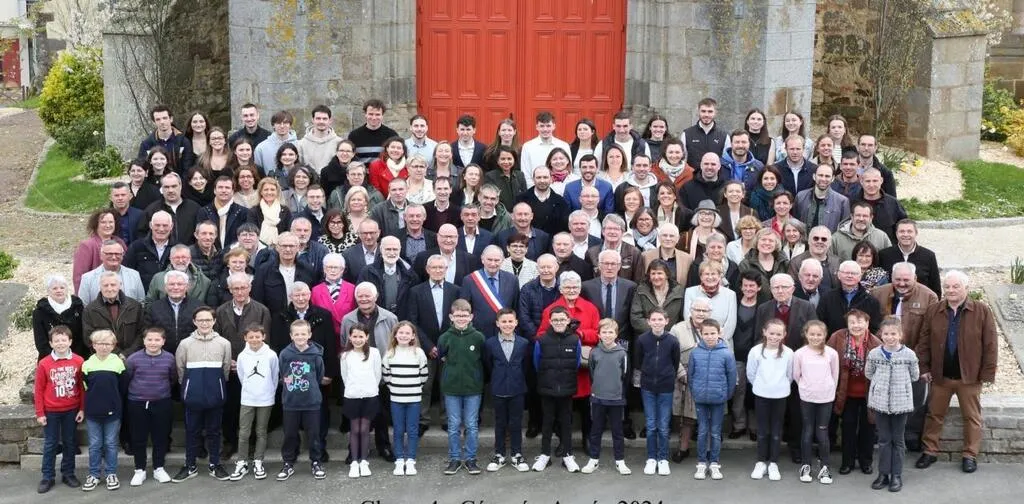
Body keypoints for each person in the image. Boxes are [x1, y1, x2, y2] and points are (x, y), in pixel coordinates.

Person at [916, 270, 998, 475]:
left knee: (972, 417)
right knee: (934, 415)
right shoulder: (934, 310)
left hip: (969, 377)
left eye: (956, 286)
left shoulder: (981, 311)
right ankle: (930, 451)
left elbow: (990, 344)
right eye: (948, 287)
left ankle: (970, 455)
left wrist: (987, 374)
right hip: (940, 376)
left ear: (966, 289)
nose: (950, 290)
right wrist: (923, 368)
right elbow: (924, 341)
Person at [871, 261, 938, 451]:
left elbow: (928, 333)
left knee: (914, 399)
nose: (901, 283)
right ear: (892, 278)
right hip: (884, 358)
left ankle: (909, 437)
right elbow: (874, 326)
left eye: (906, 280)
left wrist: (916, 359)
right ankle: (880, 436)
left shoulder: (929, 297)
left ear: (915, 278)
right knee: (882, 397)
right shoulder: (878, 293)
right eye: (898, 279)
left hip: (912, 358)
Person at [753, 273, 818, 462]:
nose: (780, 291)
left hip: (798, 364)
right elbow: (758, 336)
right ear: (771, 290)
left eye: (784, 287)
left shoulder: (806, 307)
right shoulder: (764, 308)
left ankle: (795, 447)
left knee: (796, 410)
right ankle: (771, 448)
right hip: (771, 366)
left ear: (793, 288)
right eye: (776, 288)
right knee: (774, 410)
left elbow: (813, 334)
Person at [171, 306, 232, 483]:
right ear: (194, 322)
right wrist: (190, 387)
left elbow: (225, 369)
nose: (204, 323)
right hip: (193, 396)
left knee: (214, 431)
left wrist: (218, 386)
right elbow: (180, 369)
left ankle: (215, 464)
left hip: (215, 396)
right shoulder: (185, 344)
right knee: (192, 431)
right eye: (200, 320)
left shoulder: (224, 343)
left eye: (208, 320)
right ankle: (190, 465)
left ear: (214, 321)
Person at [339, 282, 399, 462]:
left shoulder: (389, 318)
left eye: (368, 296)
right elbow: (344, 342)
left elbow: (394, 343)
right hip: (357, 376)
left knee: (380, 414)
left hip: (380, 373)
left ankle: (384, 447)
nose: (364, 299)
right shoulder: (348, 319)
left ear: (376, 297)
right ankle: (354, 450)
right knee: (355, 417)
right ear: (356, 298)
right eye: (360, 296)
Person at [403, 254, 458, 435]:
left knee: (447, 385)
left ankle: (447, 419)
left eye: (440, 268)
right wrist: (428, 346)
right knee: (424, 385)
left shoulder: (455, 290)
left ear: (446, 270)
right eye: (433, 267)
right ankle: (422, 420)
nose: (437, 271)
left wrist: (446, 345)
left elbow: (458, 320)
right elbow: (413, 321)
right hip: (424, 347)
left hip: (449, 347)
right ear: (427, 270)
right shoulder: (416, 291)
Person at [865, 317, 919, 492]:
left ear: (900, 335)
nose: (889, 337)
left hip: (900, 403)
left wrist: (899, 387)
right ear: (881, 334)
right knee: (883, 440)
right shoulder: (874, 354)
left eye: (893, 334)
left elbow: (914, 376)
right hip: (880, 403)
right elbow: (869, 373)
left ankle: (896, 475)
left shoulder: (909, 355)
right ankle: (883, 474)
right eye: (886, 334)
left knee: (898, 440)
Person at [829, 309, 881, 476]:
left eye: (860, 322)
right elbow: (827, 358)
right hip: (846, 393)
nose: (856, 325)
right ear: (847, 323)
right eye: (852, 322)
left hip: (868, 394)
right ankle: (847, 462)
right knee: (848, 427)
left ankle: (866, 462)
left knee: (868, 428)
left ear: (867, 323)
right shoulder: (837, 337)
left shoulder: (876, 342)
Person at [531, 306, 583, 473]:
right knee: (547, 421)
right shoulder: (542, 340)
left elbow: (575, 363)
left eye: (562, 319)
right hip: (547, 388)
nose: (559, 322)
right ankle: (545, 455)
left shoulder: (575, 340)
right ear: (550, 321)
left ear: (568, 321)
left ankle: (568, 455)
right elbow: (536, 363)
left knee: (566, 422)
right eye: (555, 320)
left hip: (567, 388)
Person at [34, 326, 85, 494]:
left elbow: (82, 387)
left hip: (71, 410)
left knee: (70, 443)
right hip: (51, 411)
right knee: (50, 444)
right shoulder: (44, 363)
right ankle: (47, 476)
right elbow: (39, 389)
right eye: (56, 340)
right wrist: (40, 413)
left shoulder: (78, 361)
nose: (60, 343)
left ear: (70, 341)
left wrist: (82, 409)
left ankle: (68, 473)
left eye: (64, 340)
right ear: (51, 343)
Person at [438, 299, 486, 475]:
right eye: (457, 316)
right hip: (451, 389)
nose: (461, 319)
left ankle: (471, 459)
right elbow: (442, 356)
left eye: (464, 315)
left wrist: (477, 378)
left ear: (471, 316)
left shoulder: (478, 337)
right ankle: (455, 459)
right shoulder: (445, 337)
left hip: (473, 388)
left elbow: (484, 360)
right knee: (453, 425)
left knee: (472, 425)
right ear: (451, 316)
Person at [275, 320, 327, 481]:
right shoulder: (285, 354)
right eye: (296, 334)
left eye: (303, 333)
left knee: (314, 434)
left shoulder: (316, 354)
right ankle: (288, 463)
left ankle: (316, 462)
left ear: (309, 335)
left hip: (311, 402)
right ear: (291, 336)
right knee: (290, 434)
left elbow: (319, 375)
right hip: (291, 402)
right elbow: (282, 374)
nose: (300, 337)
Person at [125, 327, 176, 486]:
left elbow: (172, 378)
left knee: (160, 437)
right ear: (144, 340)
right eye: (149, 339)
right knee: (138, 438)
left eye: (157, 340)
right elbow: (128, 378)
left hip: (162, 402)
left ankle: (158, 468)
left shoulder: (170, 358)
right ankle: (139, 470)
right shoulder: (133, 359)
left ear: (163, 341)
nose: (153, 343)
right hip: (137, 403)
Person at [482, 309, 531, 473]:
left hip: (517, 390)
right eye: (504, 322)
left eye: (511, 321)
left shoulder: (523, 343)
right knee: (500, 423)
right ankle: (499, 454)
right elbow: (488, 364)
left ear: (516, 323)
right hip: (498, 389)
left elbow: (525, 366)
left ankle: (517, 454)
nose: (507, 325)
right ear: (497, 324)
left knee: (516, 423)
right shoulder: (490, 343)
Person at [688, 319, 737, 481]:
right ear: (701, 334)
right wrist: (695, 391)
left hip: (718, 398)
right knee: (702, 431)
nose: (709, 337)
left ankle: (714, 463)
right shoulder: (695, 353)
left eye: (712, 333)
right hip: (701, 398)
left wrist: (726, 394)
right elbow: (691, 375)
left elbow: (731, 377)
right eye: (706, 334)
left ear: (719, 333)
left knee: (715, 432)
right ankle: (702, 462)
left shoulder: (726, 353)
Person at [228, 325, 278, 482]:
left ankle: (258, 461)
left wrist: (269, 391)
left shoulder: (271, 355)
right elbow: (242, 376)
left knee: (261, 431)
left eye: (257, 336)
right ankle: (242, 462)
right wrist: (250, 390)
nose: (254, 340)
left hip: (265, 398)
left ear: (263, 336)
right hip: (248, 398)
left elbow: (275, 376)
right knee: (244, 431)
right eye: (251, 337)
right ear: (245, 338)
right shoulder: (242, 356)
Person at [746, 319, 794, 482]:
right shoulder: (755, 351)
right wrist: (762, 386)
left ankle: (773, 462)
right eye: (771, 333)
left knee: (776, 431)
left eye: (778, 334)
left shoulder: (788, 353)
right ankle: (761, 462)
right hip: (761, 395)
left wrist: (778, 387)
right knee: (762, 430)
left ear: (784, 335)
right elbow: (751, 374)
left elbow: (790, 375)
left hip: (780, 396)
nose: (774, 337)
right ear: (764, 332)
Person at [792, 320, 839, 485]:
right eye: (812, 334)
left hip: (825, 398)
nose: (815, 337)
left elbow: (835, 375)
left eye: (819, 334)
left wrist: (827, 389)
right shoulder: (799, 353)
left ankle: (825, 467)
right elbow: (796, 375)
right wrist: (806, 387)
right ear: (806, 334)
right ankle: (806, 465)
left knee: (822, 432)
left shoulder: (832, 353)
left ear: (825, 335)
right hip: (807, 397)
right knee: (807, 431)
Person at [582, 319, 631, 475]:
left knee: (617, 431)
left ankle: (620, 461)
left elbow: (625, 376)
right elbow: (592, 374)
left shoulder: (622, 353)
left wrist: (619, 393)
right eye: (604, 332)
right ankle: (593, 459)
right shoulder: (594, 352)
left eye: (611, 332)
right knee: (595, 430)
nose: (608, 335)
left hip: (616, 399)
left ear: (616, 334)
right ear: (599, 334)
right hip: (598, 398)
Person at [635, 308, 680, 476]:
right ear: (648, 322)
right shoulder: (642, 339)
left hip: (666, 387)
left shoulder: (673, 341)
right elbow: (638, 361)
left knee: (663, 425)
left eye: (660, 319)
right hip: (647, 387)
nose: (657, 322)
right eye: (653, 319)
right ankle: (651, 458)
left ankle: (663, 459)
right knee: (651, 424)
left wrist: (667, 375)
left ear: (667, 321)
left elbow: (675, 363)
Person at [81, 330, 127, 492]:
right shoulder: (87, 365)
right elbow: (86, 387)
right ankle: (93, 474)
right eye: (100, 343)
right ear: (93, 345)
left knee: (110, 444)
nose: (103, 347)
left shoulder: (118, 363)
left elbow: (122, 387)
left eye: (108, 344)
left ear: (113, 346)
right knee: (94, 445)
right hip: (93, 413)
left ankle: (111, 473)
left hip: (113, 413)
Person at [382, 322, 429, 476]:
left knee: (412, 429)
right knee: (398, 430)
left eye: (407, 333)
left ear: (413, 336)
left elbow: (424, 375)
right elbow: (386, 375)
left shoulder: (419, 353)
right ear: (395, 335)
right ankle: (399, 459)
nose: (403, 336)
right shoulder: (390, 353)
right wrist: (396, 388)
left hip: (414, 398)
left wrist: (414, 388)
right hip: (396, 398)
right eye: (400, 333)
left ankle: (410, 459)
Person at [340, 322, 382, 478]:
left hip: (370, 395)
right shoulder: (345, 355)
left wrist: (370, 388)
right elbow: (345, 376)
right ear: (350, 337)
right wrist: (354, 389)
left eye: (361, 336)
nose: (358, 339)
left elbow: (377, 374)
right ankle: (354, 462)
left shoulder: (375, 353)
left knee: (364, 429)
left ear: (367, 337)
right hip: (352, 396)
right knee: (354, 429)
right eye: (355, 336)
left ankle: (364, 461)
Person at [668, 299, 708, 462]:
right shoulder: (677, 329)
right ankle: (683, 448)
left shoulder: (715, 328)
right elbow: (670, 353)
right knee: (686, 417)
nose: (700, 313)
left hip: (707, 379)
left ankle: (707, 451)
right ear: (690, 311)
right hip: (683, 377)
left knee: (708, 417)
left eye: (704, 311)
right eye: (697, 310)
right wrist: (681, 373)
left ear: (709, 313)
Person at [730, 271, 764, 441]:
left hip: (756, 355)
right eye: (745, 285)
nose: (748, 289)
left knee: (755, 391)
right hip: (736, 354)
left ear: (759, 287)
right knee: (738, 391)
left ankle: (754, 427)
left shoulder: (764, 306)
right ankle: (739, 424)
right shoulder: (733, 302)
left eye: (752, 286)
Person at [459, 245, 520, 339]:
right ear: (482, 259)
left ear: (502, 260)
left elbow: (516, 307)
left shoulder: (512, 279)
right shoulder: (470, 280)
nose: (493, 263)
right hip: (478, 334)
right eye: (489, 259)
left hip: (505, 333)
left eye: (496, 260)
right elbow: (464, 310)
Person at [143, 269, 203, 356]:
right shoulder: (154, 308)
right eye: (171, 284)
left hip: (192, 355)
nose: (175, 287)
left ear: (187, 287)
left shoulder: (198, 307)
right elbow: (146, 331)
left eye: (180, 284)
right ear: (165, 287)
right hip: (161, 356)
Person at [82, 272, 144, 356]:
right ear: (100, 286)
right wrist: (116, 354)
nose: (109, 288)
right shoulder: (90, 310)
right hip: (104, 359)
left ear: (120, 285)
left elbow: (142, 333)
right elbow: (89, 338)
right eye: (105, 285)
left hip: (132, 357)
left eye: (113, 285)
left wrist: (126, 354)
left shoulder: (135, 306)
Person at [818, 261, 883, 337]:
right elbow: (820, 324)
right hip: (832, 345)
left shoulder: (871, 301)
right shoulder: (827, 298)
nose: (849, 276)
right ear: (839, 275)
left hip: (862, 346)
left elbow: (874, 328)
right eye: (846, 273)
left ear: (860, 277)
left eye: (854, 273)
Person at [879, 219, 942, 296]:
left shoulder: (928, 256)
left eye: (909, 231)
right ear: (896, 234)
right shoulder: (884, 255)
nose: (905, 234)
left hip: (920, 303)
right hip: (890, 303)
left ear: (916, 233)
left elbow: (935, 288)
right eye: (902, 231)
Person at [73, 209, 127, 293]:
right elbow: (78, 276)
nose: (108, 225)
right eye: (103, 222)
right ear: (96, 225)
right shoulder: (87, 246)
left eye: (111, 222)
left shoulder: (120, 242)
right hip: (96, 293)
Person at [33, 275, 86, 359]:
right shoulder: (39, 312)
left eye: (62, 287)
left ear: (67, 289)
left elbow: (83, 334)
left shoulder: (78, 307)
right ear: (48, 291)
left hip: (78, 356)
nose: (59, 291)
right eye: (54, 288)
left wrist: (73, 357)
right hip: (51, 358)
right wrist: (58, 358)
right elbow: (41, 342)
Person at [144, 244, 214, 307]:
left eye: (184, 257)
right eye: (177, 257)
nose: (180, 261)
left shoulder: (204, 281)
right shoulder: (158, 278)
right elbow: (149, 303)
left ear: (189, 259)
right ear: (170, 259)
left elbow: (207, 307)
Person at [80, 240, 146, 305]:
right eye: (109, 254)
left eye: (117, 254)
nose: (114, 257)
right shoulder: (87, 279)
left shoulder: (134, 275)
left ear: (122, 255)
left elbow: (141, 303)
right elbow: (83, 306)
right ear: (101, 256)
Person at [126, 209, 176, 293]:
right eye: (157, 225)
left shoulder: (178, 248)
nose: (161, 229)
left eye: (165, 225)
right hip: (143, 297)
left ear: (171, 226)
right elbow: (128, 274)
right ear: (150, 225)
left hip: (169, 297)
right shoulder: (136, 247)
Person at [138, 104, 194, 174]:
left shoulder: (183, 141)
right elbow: (143, 168)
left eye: (165, 118)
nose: (162, 122)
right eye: (158, 119)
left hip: (179, 183)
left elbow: (187, 168)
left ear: (171, 119)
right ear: (154, 122)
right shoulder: (146, 144)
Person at [520, 111, 572, 186]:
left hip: (560, 189)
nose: (545, 129)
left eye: (548, 126)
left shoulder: (563, 146)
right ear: (536, 127)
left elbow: (569, 170)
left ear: (554, 126)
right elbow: (526, 173)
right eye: (542, 126)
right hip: (535, 189)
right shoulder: (528, 146)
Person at [796, 163, 850, 233]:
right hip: (804, 242)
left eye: (827, 176)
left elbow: (844, 230)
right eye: (820, 175)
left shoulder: (842, 202)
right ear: (814, 176)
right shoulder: (800, 197)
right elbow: (795, 224)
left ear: (833, 178)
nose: (823, 179)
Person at [680, 98, 726, 169]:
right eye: (703, 111)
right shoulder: (686, 134)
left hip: (716, 179)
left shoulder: (724, 136)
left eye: (710, 111)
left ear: (715, 113)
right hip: (692, 178)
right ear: (698, 112)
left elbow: (725, 163)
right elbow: (682, 161)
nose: (706, 115)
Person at [295, 105, 341, 175]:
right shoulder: (301, 144)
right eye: (318, 118)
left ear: (330, 120)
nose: (321, 121)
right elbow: (298, 168)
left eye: (324, 119)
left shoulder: (339, 143)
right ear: (313, 120)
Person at [252, 111, 298, 176]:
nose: (282, 126)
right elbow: (258, 172)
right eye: (278, 123)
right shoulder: (261, 148)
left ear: (290, 125)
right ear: (273, 125)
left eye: (285, 123)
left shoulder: (299, 145)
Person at [342, 219, 381, 284]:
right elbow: (345, 282)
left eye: (372, 233)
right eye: (365, 233)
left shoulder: (386, 252)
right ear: (359, 234)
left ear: (378, 233)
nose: (368, 237)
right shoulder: (348, 255)